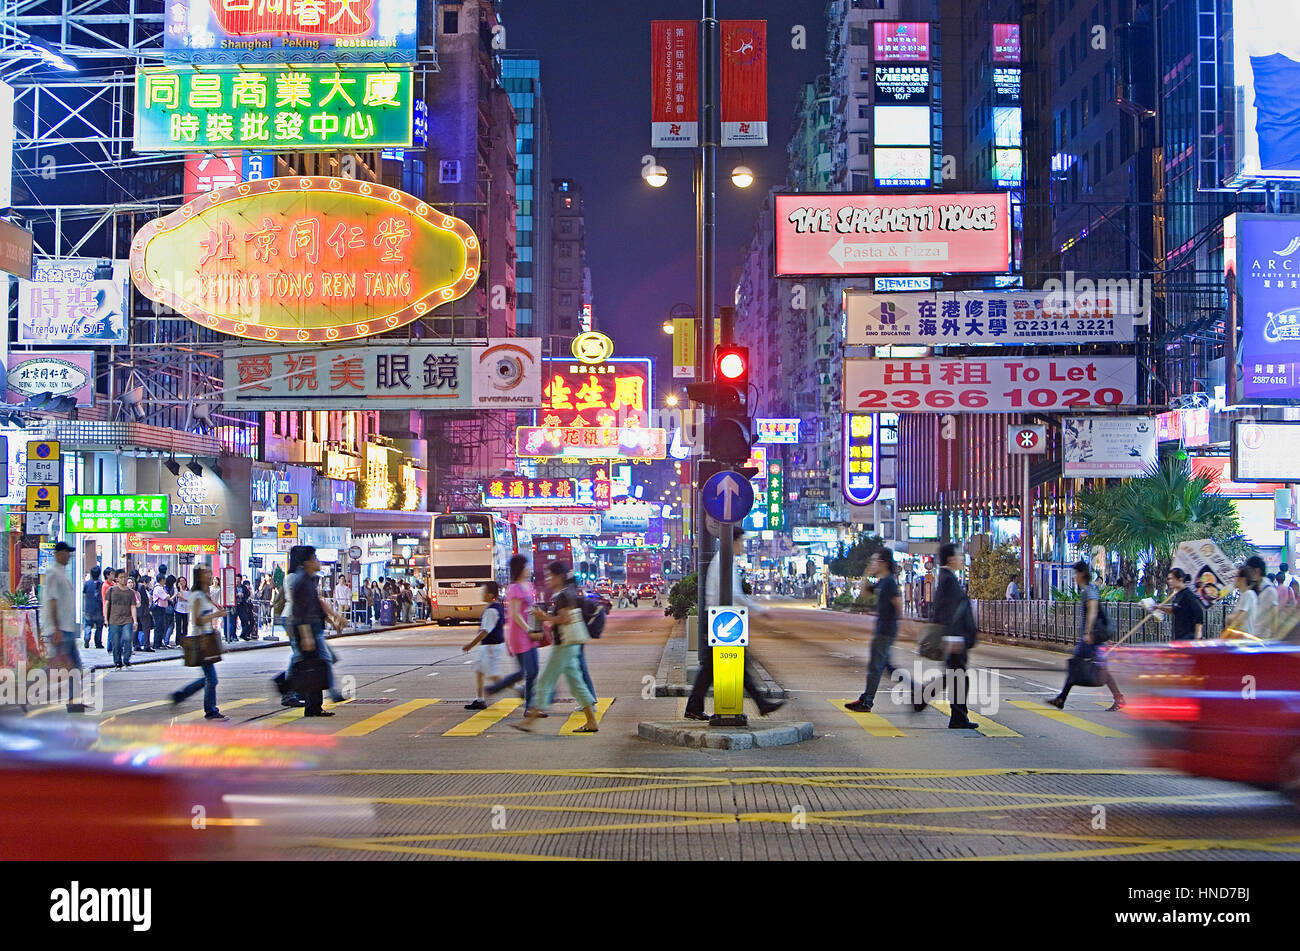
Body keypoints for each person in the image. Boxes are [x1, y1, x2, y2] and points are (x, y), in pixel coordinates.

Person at [686, 528, 785, 720]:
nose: (743, 546)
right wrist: (760, 610)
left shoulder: (723, 560)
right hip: (722, 620)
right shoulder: (723, 562)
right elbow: (736, 594)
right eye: (741, 542)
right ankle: (760, 703)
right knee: (730, 665)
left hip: (720, 619)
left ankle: (694, 707)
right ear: (732, 541)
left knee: (713, 667)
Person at [512, 561, 599, 733]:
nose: (547, 579)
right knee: (575, 683)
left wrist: (544, 617)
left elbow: (565, 619)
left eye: (549, 576)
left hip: (564, 645)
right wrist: (545, 618)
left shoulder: (563, 596)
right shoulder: (566, 593)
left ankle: (530, 720)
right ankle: (591, 721)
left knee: (545, 680)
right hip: (569, 644)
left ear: (559, 577)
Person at [1047, 561, 1125, 711]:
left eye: (1076, 573)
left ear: (1082, 574)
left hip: (1091, 638)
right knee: (1097, 668)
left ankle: (1062, 698)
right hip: (1093, 637)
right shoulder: (1089, 590)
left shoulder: (1089, 591)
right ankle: (1118, 697)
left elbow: (1093, 611)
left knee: (1080, 665)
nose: (1075, 577)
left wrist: (1088, 633)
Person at [923, 543, 979, 729]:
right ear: (950, 559)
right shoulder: (948, 580)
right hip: (955, 638)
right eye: (959, 555)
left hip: (956, 637)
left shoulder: (948, 578)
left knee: (954, 676)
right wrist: (952, 637)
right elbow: (947, 611)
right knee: (959, 678)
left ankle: (924, 698)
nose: (962, 559)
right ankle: (958, 718)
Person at [845, 549, 906, 714]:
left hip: (885, 630)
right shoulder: (882, 582)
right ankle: (917, 690)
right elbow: (865, 594)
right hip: (882, 628)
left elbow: (898, 606)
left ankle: (866, 701)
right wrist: (866, 574)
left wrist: (900, 626)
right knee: (886, 667)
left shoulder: (890, 582)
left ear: (883, 562)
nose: (873, 564)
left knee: (875, 666)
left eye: (875, 561)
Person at [285, 546, 342, 717]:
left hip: (314, 628)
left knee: (316, 665)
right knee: (315, 665)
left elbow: (316, 606)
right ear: (307, 562)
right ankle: (295, 694)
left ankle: (314, 706)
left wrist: (332, 621)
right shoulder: (301, 581)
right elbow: (300, 610)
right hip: (307, 629)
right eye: (315, 558)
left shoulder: (309, 580)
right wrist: (306, 635)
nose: (318, 561)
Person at [170, 565, 228, 721]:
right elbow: (197, 620)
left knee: (209, 678)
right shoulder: (196, 595)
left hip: (207, 638)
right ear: (199, 577)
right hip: (200, 641)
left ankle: (181, 695)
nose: (209, 576)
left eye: (210, 572)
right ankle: (210, 710)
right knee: (211, 679)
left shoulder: (203, 594)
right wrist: (215, 615)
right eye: (206, 573)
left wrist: (216, 610)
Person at [486, 554, 541, 715]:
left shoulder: (529, 585)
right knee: (529, 672)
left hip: (530, 633)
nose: (529, 569)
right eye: (526, 566)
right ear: (520, 568)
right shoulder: (515, 588)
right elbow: (515, 614)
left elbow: (530, 609)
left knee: (532, 671)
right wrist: (529, 629)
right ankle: (530, 707)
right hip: (520, 635)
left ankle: (497, 688)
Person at [41, 542, 85, 712]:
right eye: (66, 552)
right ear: (58, 554)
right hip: (61, 630)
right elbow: (52, 601)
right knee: (62, 666)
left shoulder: (61, 574)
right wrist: (57, 628)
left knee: (73, 666)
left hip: (67, 629)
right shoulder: (53, 573)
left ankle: (74, 701)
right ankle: (27, 685)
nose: (69, 556)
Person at [462, 581, 506, 710]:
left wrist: (470, 645)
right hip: (491, 646)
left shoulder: (491, 610)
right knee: (480, 670)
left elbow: (485, 631)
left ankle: (520, 690)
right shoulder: (496, 607)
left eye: (484, 591)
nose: (482, 593)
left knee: (493, 675)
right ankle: (479, 699)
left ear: (490, 594)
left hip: (491, 647)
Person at [1157, 568, 1205, 640]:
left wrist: (1198, 634)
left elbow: (1199, 613)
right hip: (1179, 633)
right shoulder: (1177, 595)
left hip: (1188, 635)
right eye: (1169, 579)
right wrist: (1160, 607)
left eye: (1172, 579)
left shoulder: (1188, 594)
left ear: (1180, 579)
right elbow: (1175, 610)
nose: (1170, 581)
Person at [105, 569, 137, 670]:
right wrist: (105, 619)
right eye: (121, 577)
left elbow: (133, 606)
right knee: (116, 642)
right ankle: (117, 662)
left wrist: (135, 621)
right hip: (114, 620)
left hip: (127, 619)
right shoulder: (111, 590)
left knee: (128, 638)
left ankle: (126, 659)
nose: (124, 579)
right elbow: (106, 604)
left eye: (125, 577)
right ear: (117, 579)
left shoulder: (131, 592)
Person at [1246, 555, 1278, 635]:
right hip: (1252, 636)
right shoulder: (1253, 588)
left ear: (1256, 571)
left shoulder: (1269, 590)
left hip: (1263, 637)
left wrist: (1273, 638)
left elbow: (1274, 617)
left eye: (1248, 571)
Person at [1225, 568, 1258, 636]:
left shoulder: (1248, 594)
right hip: (1241, 637)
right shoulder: (1244, 595)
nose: (1234, 579)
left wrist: (1226, 633)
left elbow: (1239, 619)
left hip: (1245, 638)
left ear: (1243, 579)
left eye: (1236, 576)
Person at [82, 566, 104, 650]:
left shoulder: (87, 584)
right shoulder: (102, 583)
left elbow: (84, 595)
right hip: (99, 609)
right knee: (99, 627)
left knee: (88, 625)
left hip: (89, 608)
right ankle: (98, 643)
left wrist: (84, 607)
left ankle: (87, 637)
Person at [131, 577, 154, 652]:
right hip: (143, 611)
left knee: (136, 628)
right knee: (146, 628)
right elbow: (146, 599)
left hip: (135, 611)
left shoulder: (128, 589)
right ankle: (146, 645)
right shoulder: (141, 587)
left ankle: (136, 645)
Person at [151, 574, 172, 649]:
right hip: (158, 609)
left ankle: (159, 642)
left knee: (161, 626)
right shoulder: (159, 588)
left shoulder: (161, 587)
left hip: (161, 608)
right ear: (162, 580)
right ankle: (157, 644)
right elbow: (165, 597)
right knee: (159, 626)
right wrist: (168, 596)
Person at [173, 576, 190, 644]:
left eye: (184, 580)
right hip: (178, 610)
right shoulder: (176, 590)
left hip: (186, 610)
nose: (183, 582)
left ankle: (184, 641)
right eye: (181, 581)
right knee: (178, 626)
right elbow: (180, 597)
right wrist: (180, 587)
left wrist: (185, 599)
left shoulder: (188, 590)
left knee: (185, 626)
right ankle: (178, 641)